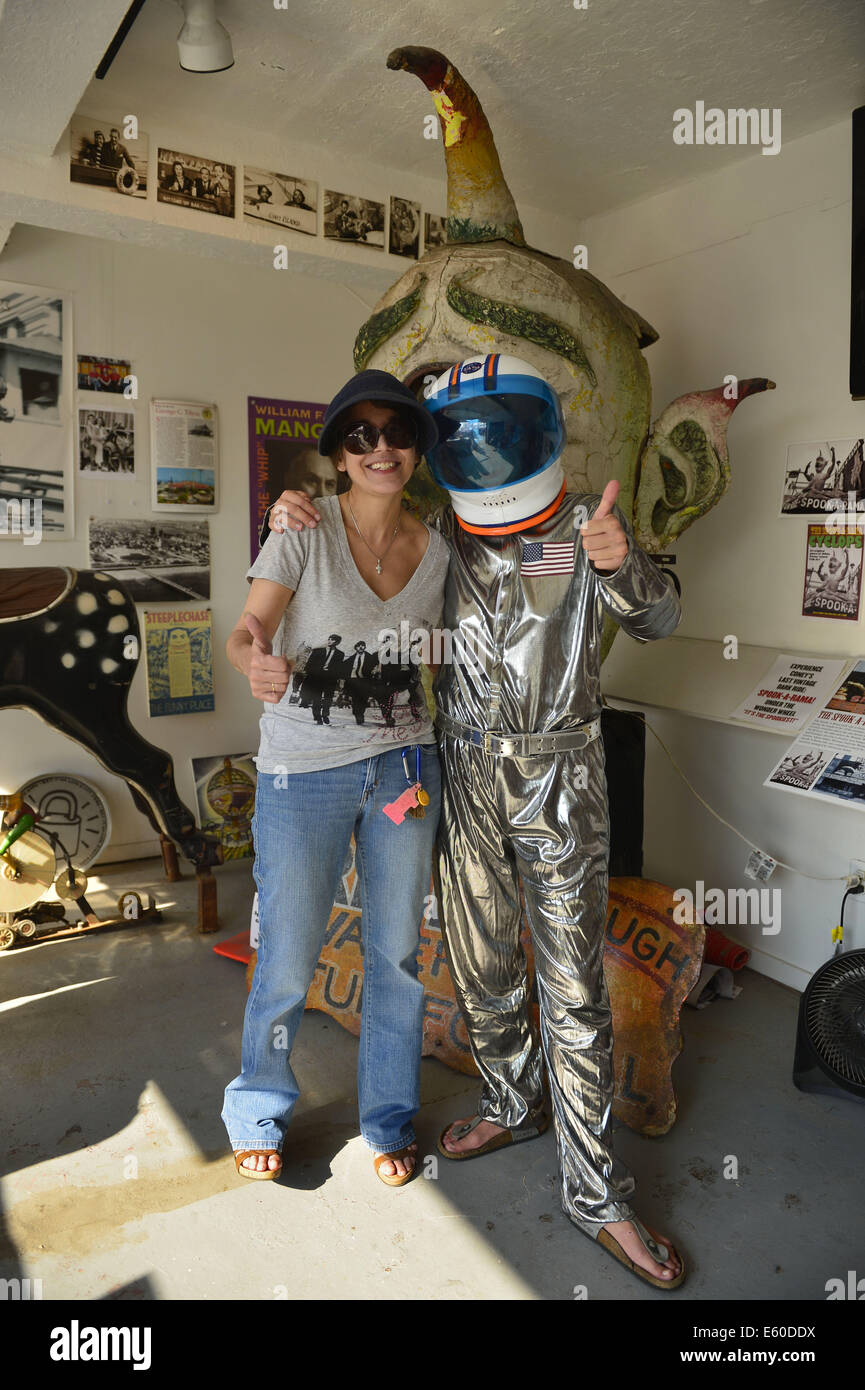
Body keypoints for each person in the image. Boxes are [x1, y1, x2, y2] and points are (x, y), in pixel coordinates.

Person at [265, 353, 686, 1288]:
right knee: (483, 958)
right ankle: (510, 1097)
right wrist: (289, 511)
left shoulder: (582, 529)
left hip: (557, 772)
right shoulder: (438, 537)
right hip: (455, 765)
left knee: (572, 987)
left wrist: (627, 566)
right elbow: (343, 546)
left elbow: (656, 618)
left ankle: (597, 1195)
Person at [222, 370, 450, 1187]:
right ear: (339, 454)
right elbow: (247, 629)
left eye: (396, 433)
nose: (380, 447)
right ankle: (257, 1112)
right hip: (301, 773)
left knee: (394, 957)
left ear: (416, 448)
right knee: (285, 954)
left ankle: (388, 1119)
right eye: (361, 435)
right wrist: (255, 660)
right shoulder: (301, 531)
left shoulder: (441, 548)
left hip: (403, 768)